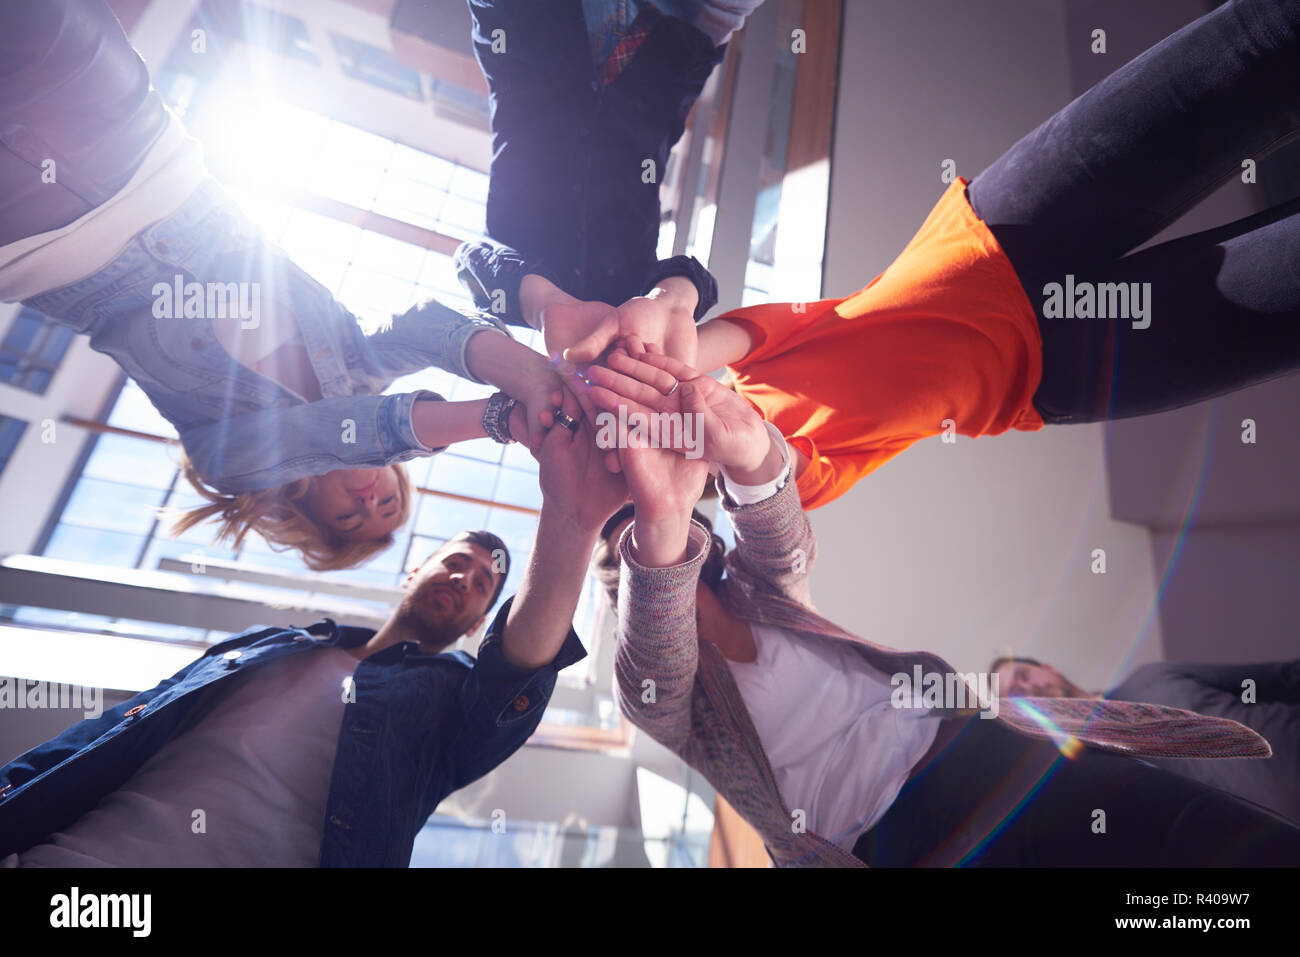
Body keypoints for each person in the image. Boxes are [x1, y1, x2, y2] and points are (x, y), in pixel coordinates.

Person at [571, 0, 1300, 510]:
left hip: (999, 231)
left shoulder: (751, 365)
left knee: (1259, 47)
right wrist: (709, 447)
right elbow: (768, 466)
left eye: (634, 429)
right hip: (1060, 369)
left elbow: (699, 342)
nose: (649, 443)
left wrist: (657, 343)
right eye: (635, 463)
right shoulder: (784, 479)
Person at [593, 349, 1300, 866]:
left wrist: (747, 451)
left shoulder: (759, 592)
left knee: (1205, 850)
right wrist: (655, 513)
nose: (659, 517)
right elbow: (658, 640)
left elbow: (779, 530)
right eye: (635, 540)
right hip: (900, 841)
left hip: (971, 746)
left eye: (662, 512)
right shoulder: (659, 695)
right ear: (623, 580)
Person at [0, 0, 577, 570]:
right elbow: (424, 326)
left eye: (353, 517)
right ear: (398, 468)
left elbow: (341, 431)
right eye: (389, 500)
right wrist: (534, 380)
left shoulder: (230, 460)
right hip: (138, 153)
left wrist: (498, 419)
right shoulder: (361, 359)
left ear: (309, 514)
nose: (367, 498)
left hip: (35, 246)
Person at [0, 413, 628, 867]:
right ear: (415, 569)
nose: (467, 578)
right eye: (457, 561)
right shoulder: (269, 645)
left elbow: (514, 669)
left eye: (485, 586)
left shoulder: (447, 703)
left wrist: (572, 520)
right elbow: (103, 736)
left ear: (475, 626)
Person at [454, 0, 768, 372]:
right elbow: (696, 276)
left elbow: (471, 259)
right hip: (665, 48)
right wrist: (673, 299)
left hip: (536, 33)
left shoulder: (513, 291)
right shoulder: (634, 305)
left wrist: (545, 306)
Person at [992, 655, 1300, 826]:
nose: (1027, 687)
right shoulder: (1093, 776)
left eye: (1024, 674)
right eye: (1017, 695)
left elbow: (1283, 678)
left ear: (1049, 668)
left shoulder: (1151, 678)